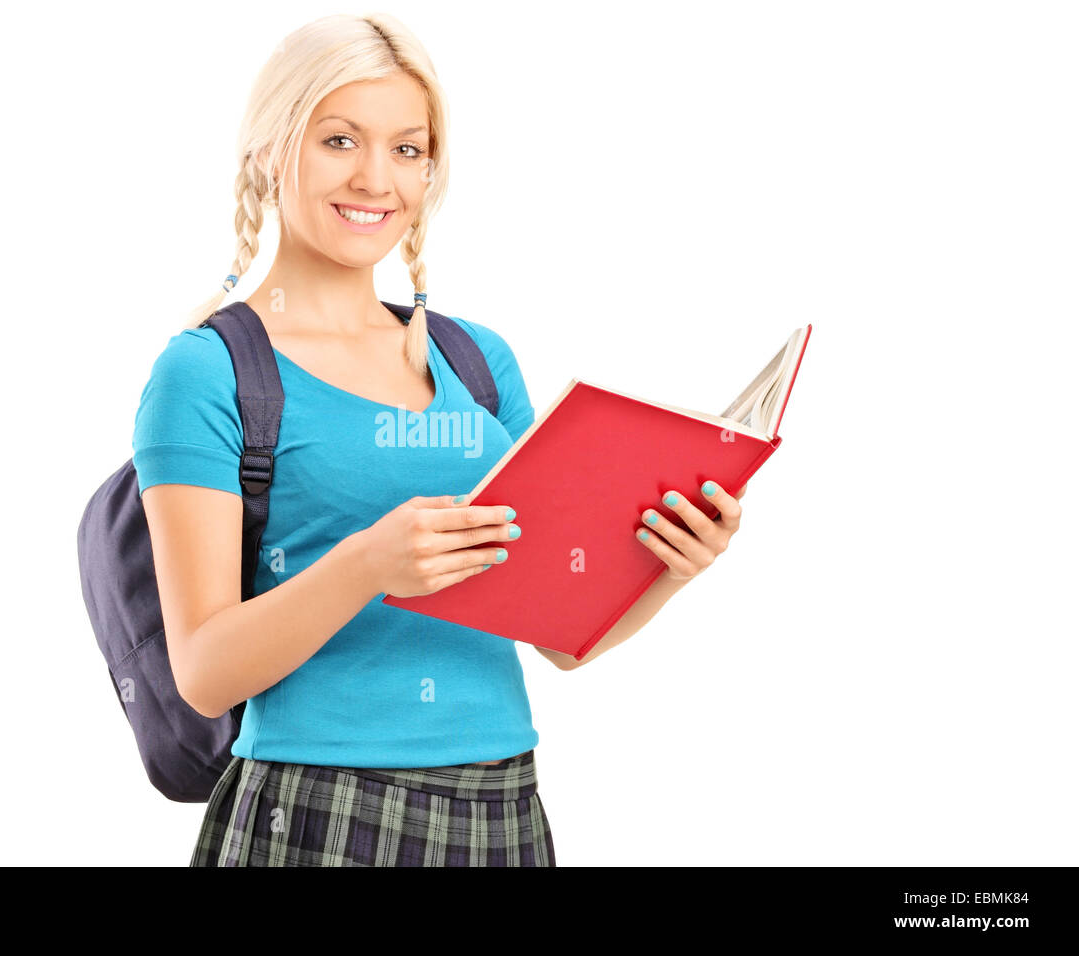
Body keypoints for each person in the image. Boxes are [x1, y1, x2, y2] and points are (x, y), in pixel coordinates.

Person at [131, 13, 745, 867]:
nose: (376, 179)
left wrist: (668, 567)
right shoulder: (208, 372)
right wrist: (367, 566)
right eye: (339, 139)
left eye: (408, 150)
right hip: (315, 812)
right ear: (273, 151)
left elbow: (563, 641)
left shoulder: (477, 362)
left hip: (505, 808)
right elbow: (202, 671)